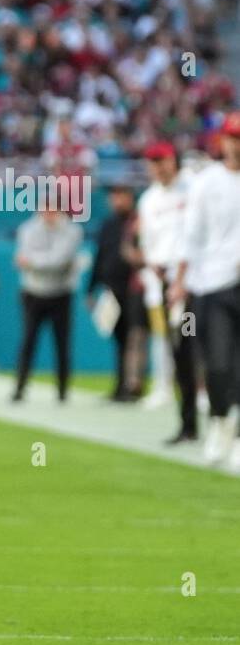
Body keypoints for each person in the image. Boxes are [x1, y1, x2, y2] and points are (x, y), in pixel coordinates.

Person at [172, 112, 240, 470]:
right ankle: (219, 419)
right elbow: (191, 234)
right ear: (223, 141)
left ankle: (238, 435)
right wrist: (181, 280)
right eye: (234, 137)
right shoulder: (208, 182)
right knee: (218, 363)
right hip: (214, 282)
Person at [136, 141, 197, 442]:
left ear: (174, 160)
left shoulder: (193, 186)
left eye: (163, 160)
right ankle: (184, 413)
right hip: (163, 283)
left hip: (193, 281)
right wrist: (152, 267)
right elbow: (146, 242)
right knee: (175, 343)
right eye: (153, 161)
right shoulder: (148, 200)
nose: (159, 166)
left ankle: (205, 397)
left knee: (196, 340)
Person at [13, 206, 83, 402]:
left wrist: (32, 262)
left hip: (61, 293)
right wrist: (41, 261)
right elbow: (24, 258)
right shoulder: (27, 229)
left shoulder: (72, 231)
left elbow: (58, 261)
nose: (48, 212)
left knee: (62, 344)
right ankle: (20, 387)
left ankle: (62, 391)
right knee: (28, 342)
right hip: (33, 293)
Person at [87, 186, 144, 400]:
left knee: (135, 338)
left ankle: (134, 385)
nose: (117, 201)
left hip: (134, 290)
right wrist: (91, 289)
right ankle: (121, 385)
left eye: (122, 196)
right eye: (114, 197)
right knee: (119, 340)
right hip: (112, 291)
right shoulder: (108, 225)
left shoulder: (138, 222)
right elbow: (99, 257)